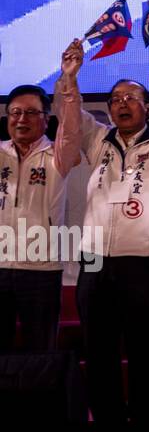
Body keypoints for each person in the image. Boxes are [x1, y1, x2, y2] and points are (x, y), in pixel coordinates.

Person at [73, 32, 149, 422]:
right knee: (97, 343)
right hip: (92, 258)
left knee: (142, 343)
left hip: (140, 260)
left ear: (146, 108)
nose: (122, 105)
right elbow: (72, 115)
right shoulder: (97, 143)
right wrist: (70, 78)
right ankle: (106, 414)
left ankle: (144, 415)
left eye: (131, 99)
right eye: (116, 101)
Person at [0, 45, 82, 355]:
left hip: (40, 270)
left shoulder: (57, 156)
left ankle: (41, 406)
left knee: (41, 353)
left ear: (46, 118)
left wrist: (69, 81)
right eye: (15, 112)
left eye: (31, 112)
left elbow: (72, 130)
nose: (22, 119)